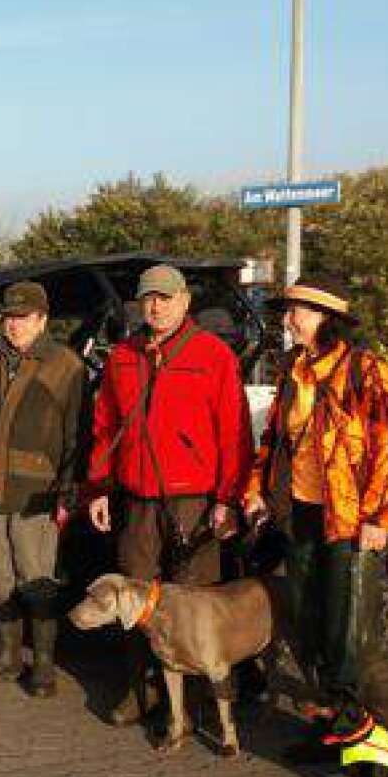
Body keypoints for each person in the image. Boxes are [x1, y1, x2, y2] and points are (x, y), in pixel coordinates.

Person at [245, 276, 388, 738]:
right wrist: (258, 491)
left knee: (350, 634)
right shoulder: (292, 371)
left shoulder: (365, 370)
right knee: (309, 622)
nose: (288, 320)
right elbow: (274, 440)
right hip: (300, 514)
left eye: (297, 311)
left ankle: (384, 738)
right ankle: (335, 726)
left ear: (326, 318)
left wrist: (379, 517)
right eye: (288, 311)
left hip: (350, 520)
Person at [87, 264, 252, 725]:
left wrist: (227, 499)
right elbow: (105, 428)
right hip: (137, 498)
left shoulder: (213, 354)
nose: (156, 307)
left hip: (194, 499)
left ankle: (194, 702)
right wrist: (98, 487)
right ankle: (142, 691)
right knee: (133, 600)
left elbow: (234, 433)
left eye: (165, 298)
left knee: (195, 603)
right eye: (148, 299)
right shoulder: (123, 355)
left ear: (184, 301)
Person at [0, 281, 86, 696]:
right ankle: (7, 657)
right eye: (9, 317)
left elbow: (77, 435)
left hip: (36, 496)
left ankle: (43, 666)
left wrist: (67, 488)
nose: (14, 325)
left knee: (36, 578)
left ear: (42, 320)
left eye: (23, 317)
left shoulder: (66, 366)